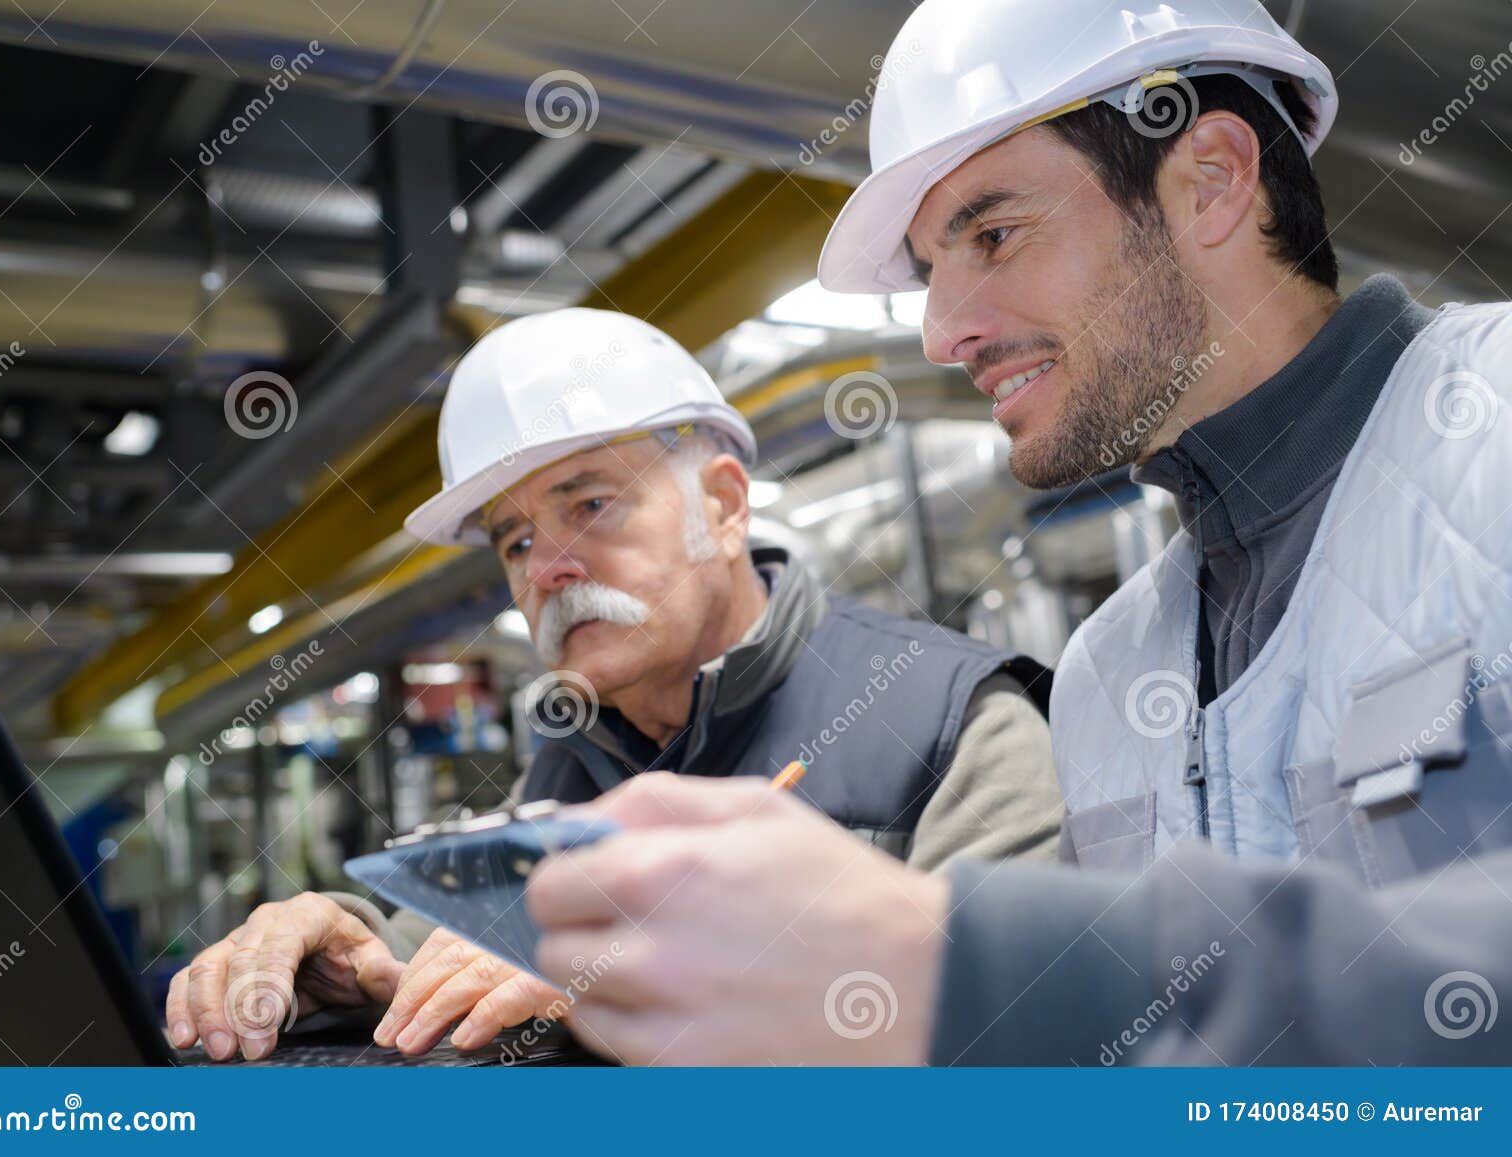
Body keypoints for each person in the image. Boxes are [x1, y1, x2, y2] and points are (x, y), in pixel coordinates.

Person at [524, 0, 1512, 1065]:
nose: (943, 332)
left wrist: (972, 961)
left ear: (1211, 179)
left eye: (992, 235)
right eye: (933, 268)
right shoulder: (1103, 676)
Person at [164, 308, 1061, 1062]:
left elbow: (1024, 1059)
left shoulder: (948, 721)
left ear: (723, 504)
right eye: (514, 539)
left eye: (589, 504)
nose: (547, 567)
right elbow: (482, 952)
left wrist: (659, 975)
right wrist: (356, 951)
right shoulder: (572, 758)